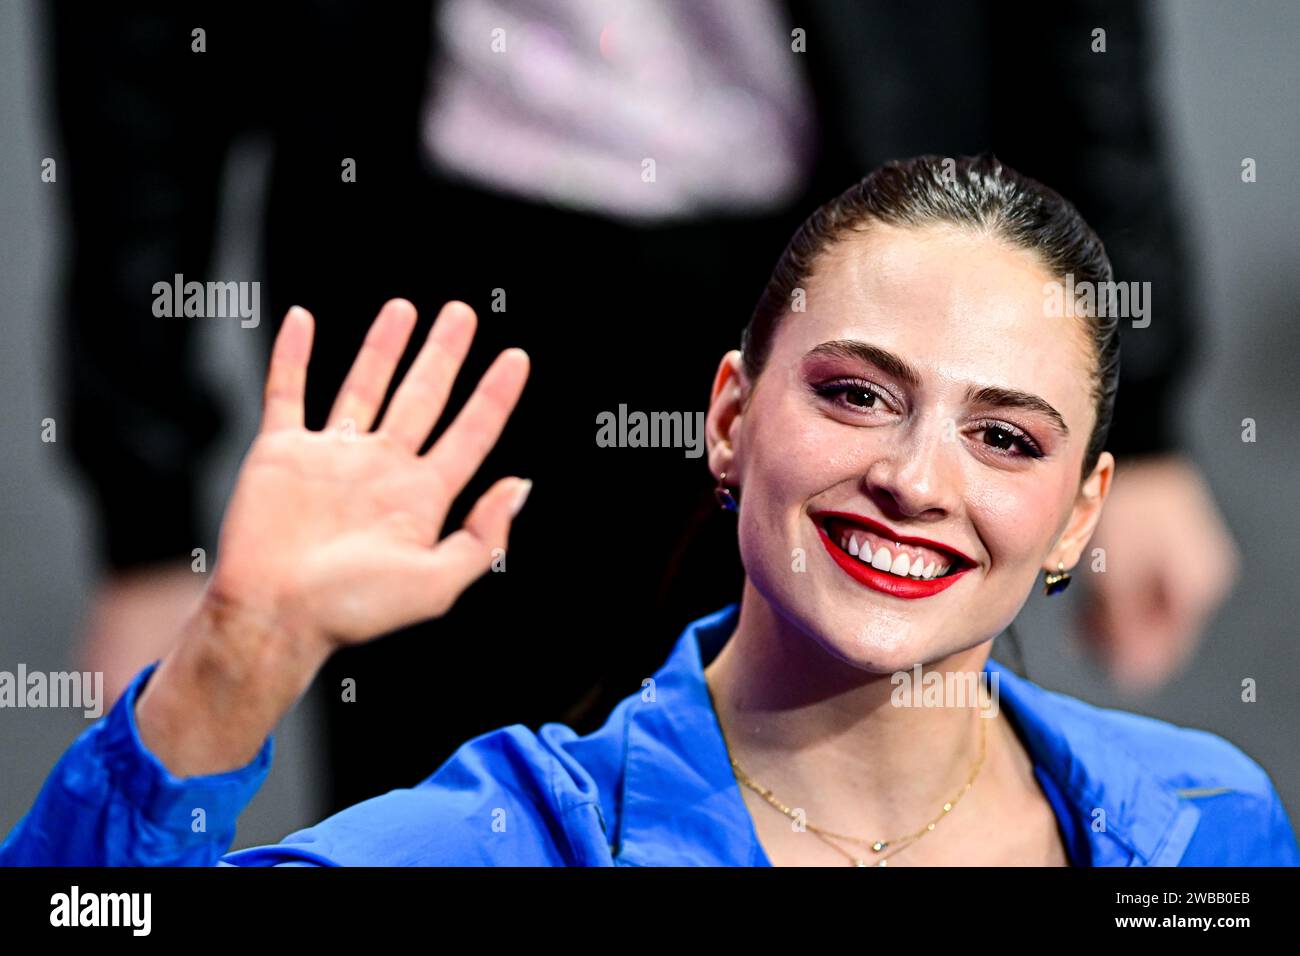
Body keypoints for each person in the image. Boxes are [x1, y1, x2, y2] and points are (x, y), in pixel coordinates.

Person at [3, 155, 1293, 866]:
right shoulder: (505, 846)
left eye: (1005, 435)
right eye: (854, 394)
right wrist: (235, 660)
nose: (917, 476)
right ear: (730, 418)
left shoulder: (1203, 825)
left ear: (1079, 515)